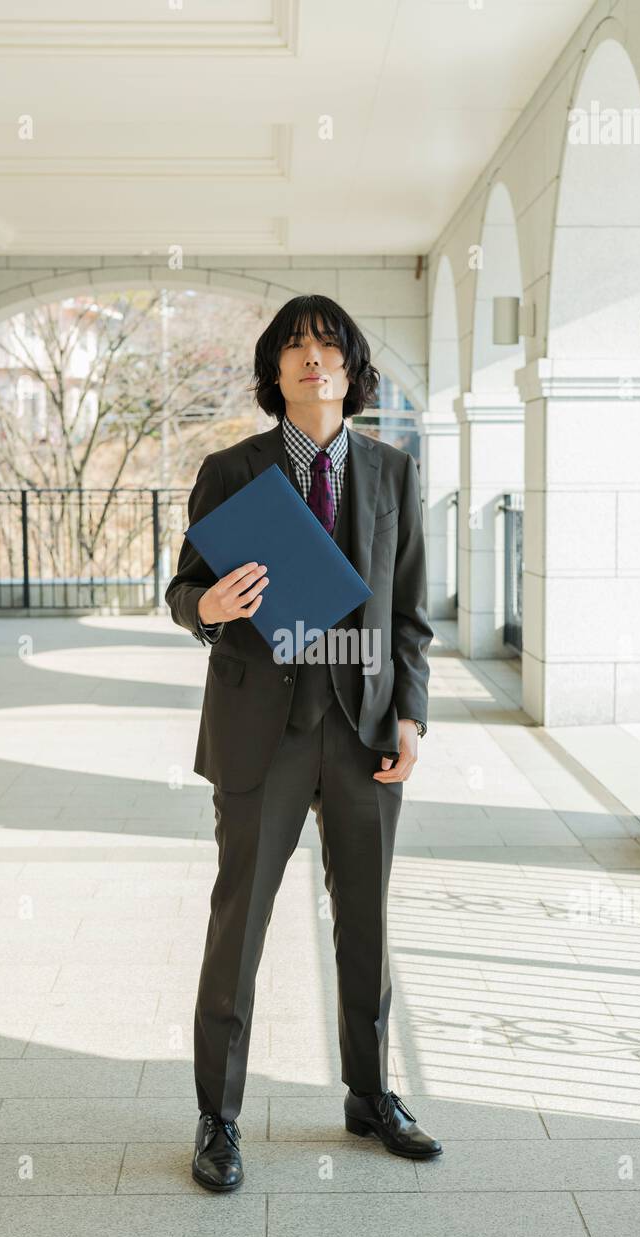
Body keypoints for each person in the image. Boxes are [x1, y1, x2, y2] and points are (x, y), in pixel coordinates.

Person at [165, 294, 442, 1191]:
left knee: (365, 920)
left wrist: (411, 714)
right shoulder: (230, 470)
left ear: (353, 368)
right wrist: (206, 608)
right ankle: (219, 1118)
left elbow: (407, 617)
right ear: (273, 373)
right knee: (239, 923)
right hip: (262, 731)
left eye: (327, 346)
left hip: (364, 732)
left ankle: (370, 1095)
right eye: (293, 348)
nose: (311, 359)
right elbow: (183, 587)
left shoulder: (394, 474)